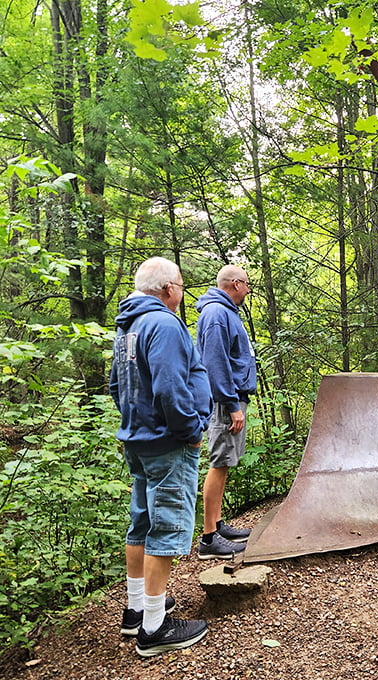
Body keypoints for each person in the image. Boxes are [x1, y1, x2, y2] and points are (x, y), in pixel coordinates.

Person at [109, 257, 212, 657]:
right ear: (169, 288)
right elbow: (171, 388)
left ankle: (136, 609)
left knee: (142, 521)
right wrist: (190, 432)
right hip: (168, 442)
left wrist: (135, 425)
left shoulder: (128, 326)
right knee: (165, 528)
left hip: (138, 439)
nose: (183, 293)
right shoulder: (164, 324)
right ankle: (154, 628)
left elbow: (117, 385)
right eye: (182, 286)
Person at [195, 264, 257, 559]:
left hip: (232, 397)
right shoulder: (217, 314)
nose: (248, 289)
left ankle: (217, 525)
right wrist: (232, 405)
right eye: (246, 284)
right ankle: (209, 539)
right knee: (219, 462)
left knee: (226, 460)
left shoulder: (226, 312)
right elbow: (214, 363)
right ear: (235, 283)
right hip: (223, 401)